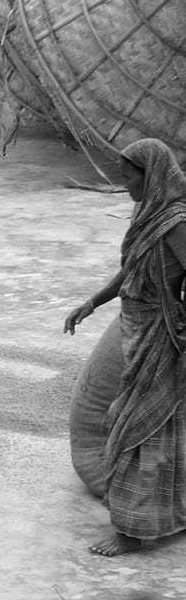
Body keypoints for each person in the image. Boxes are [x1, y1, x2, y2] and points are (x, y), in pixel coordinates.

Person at [64, 138, 186, 557]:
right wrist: (92, 302)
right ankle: (164, 512)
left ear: (150, 176)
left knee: (141, 427)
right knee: (129, 421)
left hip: (159, 333)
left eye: (129, 178)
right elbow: (130, 270)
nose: (126, 187)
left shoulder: (176, 223)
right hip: (134, 326)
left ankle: (133, 533)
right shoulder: (148, 214)